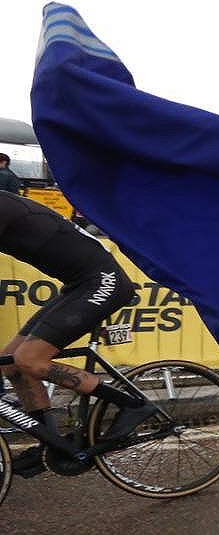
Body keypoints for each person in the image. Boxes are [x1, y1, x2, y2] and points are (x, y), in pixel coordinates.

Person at [0, 192, 154, 476]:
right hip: (79, 285)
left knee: (30, 360)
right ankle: (51, 442)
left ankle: (134, 407)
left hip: (103, 282)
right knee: (10, 361)